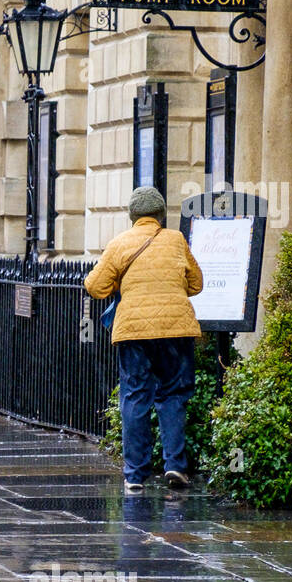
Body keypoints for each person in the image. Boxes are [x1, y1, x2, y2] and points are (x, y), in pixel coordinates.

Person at [84, 186, 203, 495]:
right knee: (173, 394)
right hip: (176, 331)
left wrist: (121, 284)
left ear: (132, 216)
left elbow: (95, 287)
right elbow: (196, 283)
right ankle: (175, 464)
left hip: (134, 332)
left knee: (135, 396)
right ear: (161, 216)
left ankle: (135, 474)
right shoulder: (176, 240)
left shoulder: (119, 244)